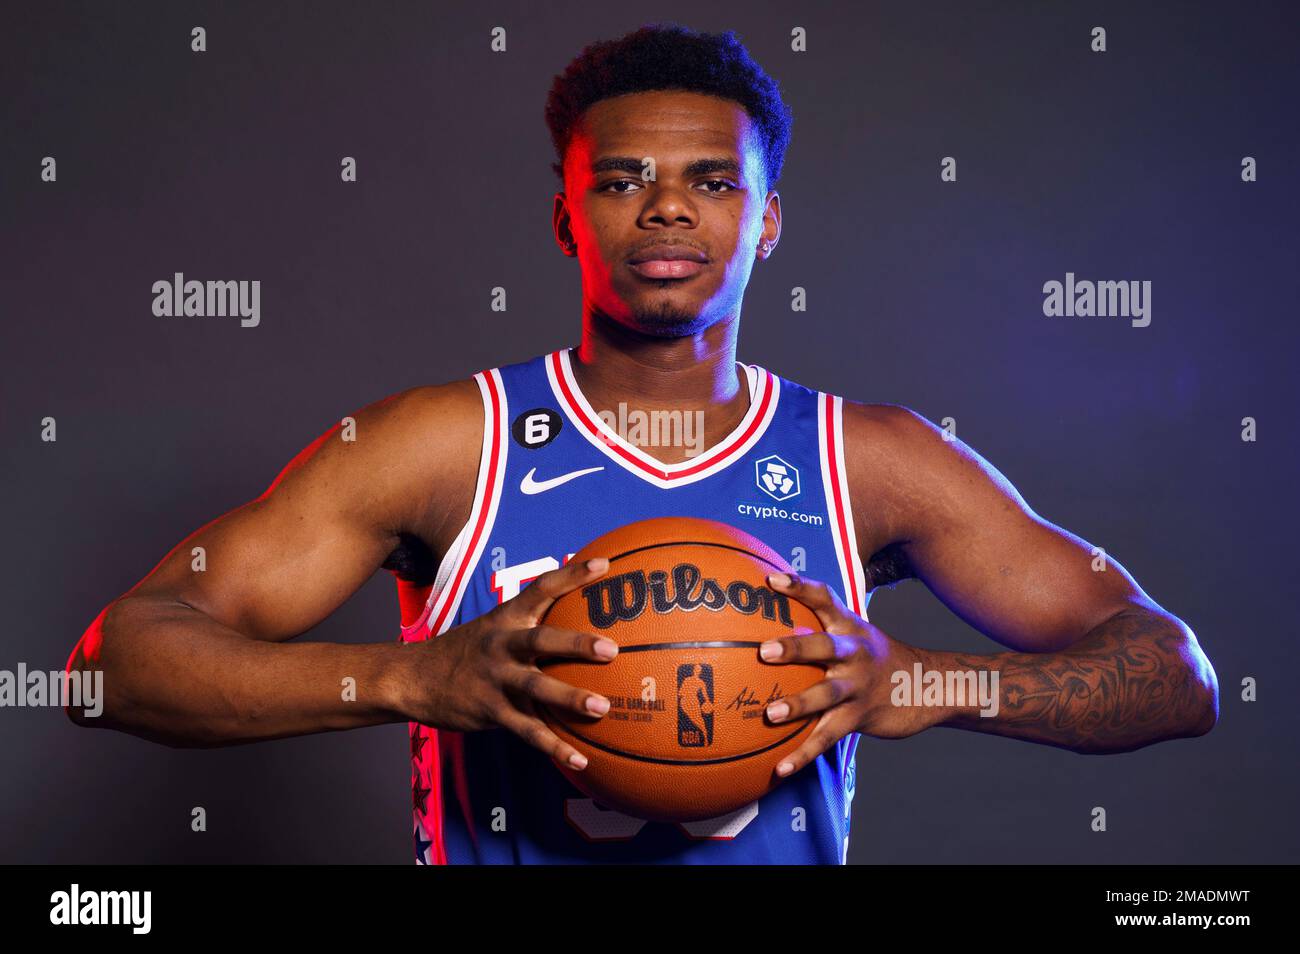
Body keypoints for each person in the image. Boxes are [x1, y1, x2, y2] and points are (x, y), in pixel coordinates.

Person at [66, 24, 1218, 865]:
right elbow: (111, 664)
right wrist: (413, 675)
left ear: (766, 221)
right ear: (567, 216)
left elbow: (1175, 676)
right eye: (622, 181)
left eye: (712, 182)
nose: (667, 210)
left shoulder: (869, 462)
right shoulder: (440, 445)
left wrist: (934, 679)